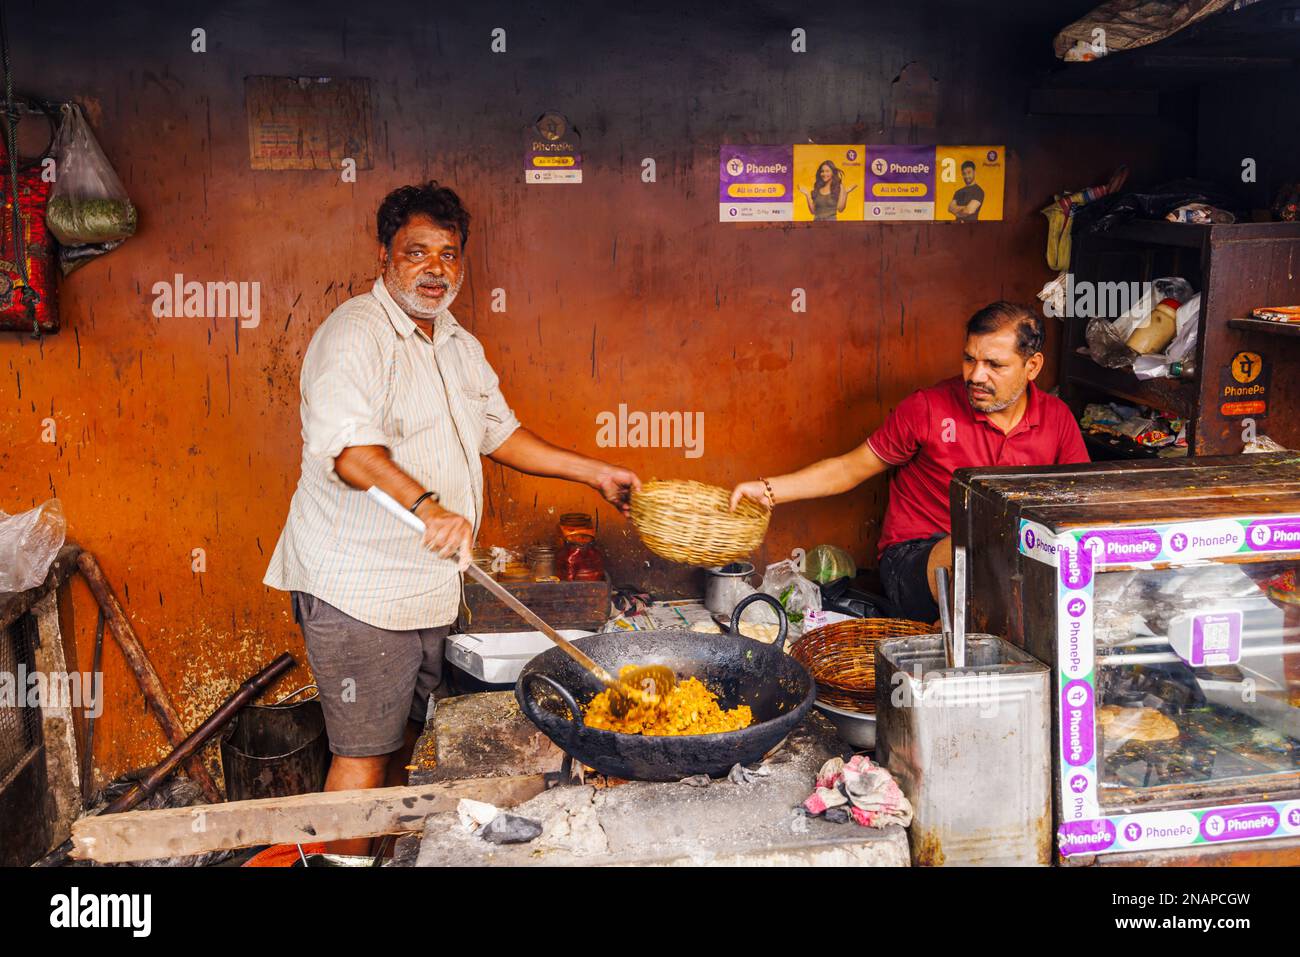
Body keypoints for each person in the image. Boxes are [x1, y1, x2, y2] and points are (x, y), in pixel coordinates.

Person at [264, 182, 640, 853]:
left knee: (409, 740)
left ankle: (388, 853)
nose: (436, 269)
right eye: (417, 252)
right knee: (361, 753)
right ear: (384, 256)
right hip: (362, 592)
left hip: (430, 589)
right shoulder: (355, 335)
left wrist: (594, 473)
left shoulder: (458, 344)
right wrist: (429, 507)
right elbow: (350, 451)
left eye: (449, 254)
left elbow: (502, 433)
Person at [730, 302, 1088, 624]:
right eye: (969, 359)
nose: (976, 376)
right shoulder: (928, 408)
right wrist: (769, 489)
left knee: (1035, 552)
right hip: (914, 561)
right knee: (977, 547)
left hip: (1011, 564)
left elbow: (1081, 504)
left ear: (1032, 366)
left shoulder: (1057, 419)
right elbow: (849, 468)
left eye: (994, 365)